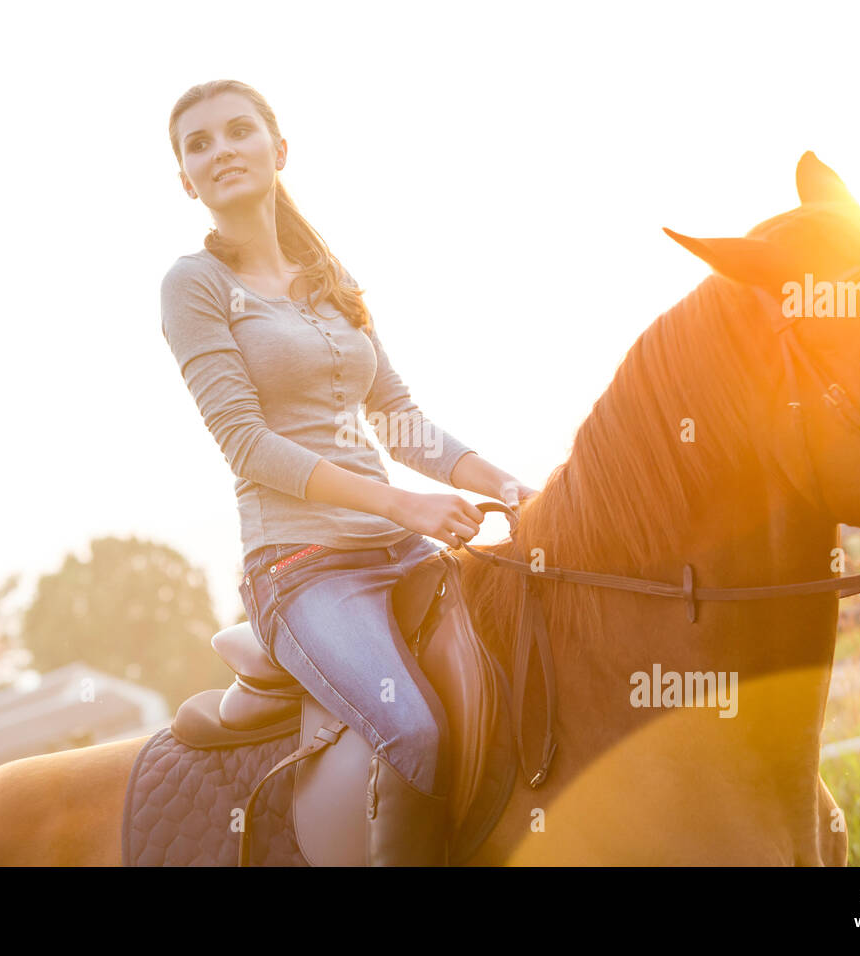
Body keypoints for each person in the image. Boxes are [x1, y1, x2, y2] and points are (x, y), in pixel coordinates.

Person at [160, 79, 537, 865]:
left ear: (279, 150)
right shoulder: (194, 286)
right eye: (198, 144)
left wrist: (508, 487)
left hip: (401, 550)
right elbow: (248, 444)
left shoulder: (332, 279)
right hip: (302, 571)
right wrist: (406, 507)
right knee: (414, 728)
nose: (221, 149)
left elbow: (401, 420)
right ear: (185, 179)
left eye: (238, 131)